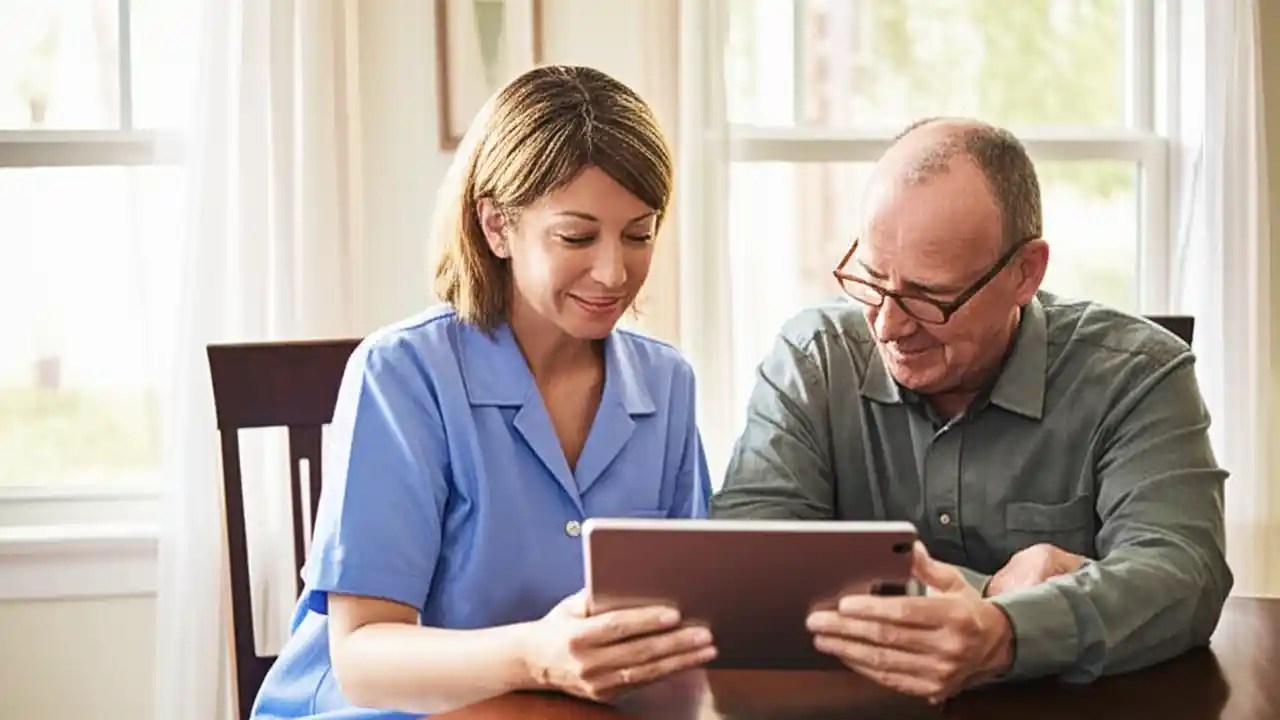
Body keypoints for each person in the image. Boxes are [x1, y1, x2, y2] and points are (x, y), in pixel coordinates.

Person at [710, 117, 1233, 703]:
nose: (888, 324)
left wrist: (1005, 637)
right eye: (872, 279)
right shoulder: (814, 360)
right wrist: (996, 598)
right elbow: (746, 561)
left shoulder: (1138, 375)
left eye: (930, 298)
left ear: (1025, 274)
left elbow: (1184, 575)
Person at [252, 65, 716, 719]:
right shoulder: (402, 376)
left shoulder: (667, 386)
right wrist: (535, 656)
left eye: (639, 234)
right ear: (497, 227)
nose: (615, 271)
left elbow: (686, 622)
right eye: (577, 236)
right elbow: (362, 660)